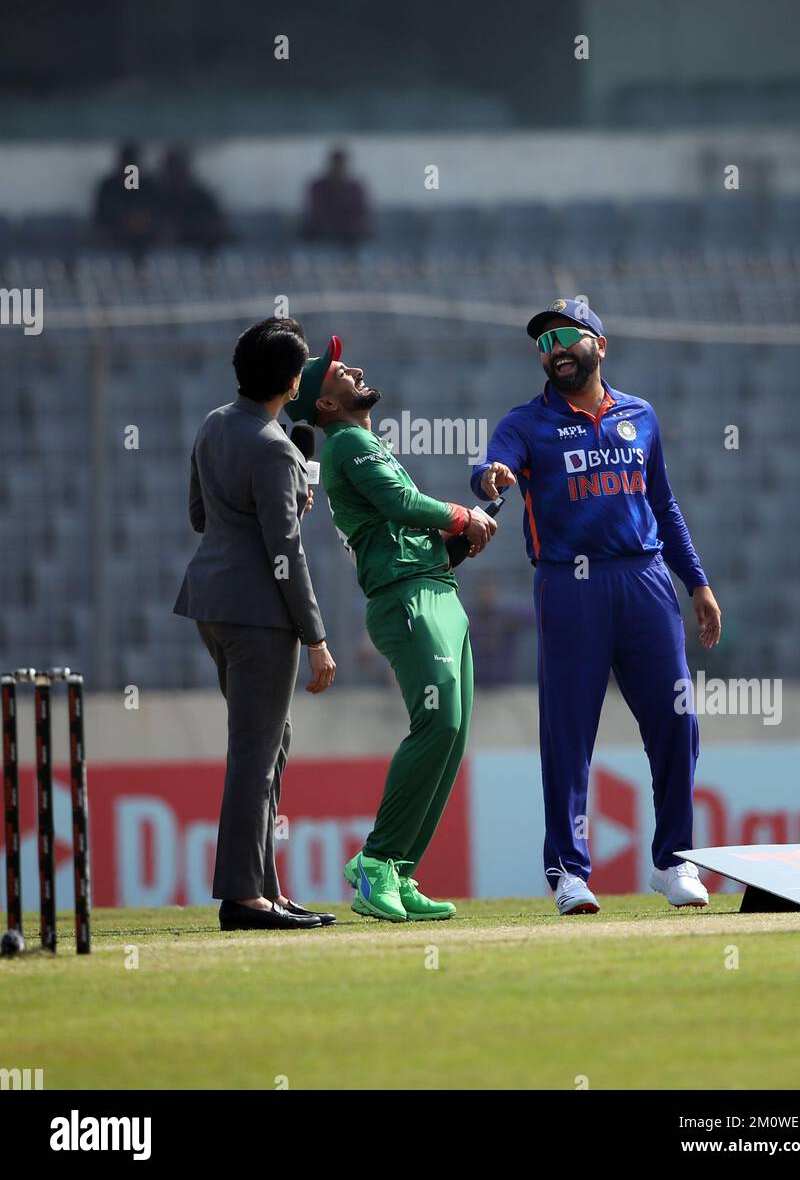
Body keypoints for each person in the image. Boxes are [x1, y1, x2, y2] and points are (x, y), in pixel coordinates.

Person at [471, 298, 722, 916]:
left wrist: (697, 583)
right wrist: (493, 476)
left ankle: (674, 861)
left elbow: (664, 506)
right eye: (543, 342)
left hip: (645, 580)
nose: (554, 348)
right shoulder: (527, 423)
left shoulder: (640, 415)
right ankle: (569, 873)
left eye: (566, 336)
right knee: (568, 733)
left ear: (599, 345)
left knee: (676, 722)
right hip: (569, 587)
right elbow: (490, 463)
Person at [288, 335, 495, 921]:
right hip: (409, 601)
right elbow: (404, 503)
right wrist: (463, 515)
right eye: (335, 372)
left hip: (436, 590)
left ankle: (399, 871)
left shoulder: (364, 441)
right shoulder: (349, 442)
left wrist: (460, 536)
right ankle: (376, 861)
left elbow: (402, 526)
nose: (351, 367)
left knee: (452, 736)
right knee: (439, 722)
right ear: (324, 405)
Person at [174, 317, 337, 931]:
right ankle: (243, 898)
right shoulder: (275, 447)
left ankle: (265, 887)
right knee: (255, 753)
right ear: (294, 383)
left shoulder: (214, 423)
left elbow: (198, 515)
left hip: (212, 605)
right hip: (259, 615)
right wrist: (316, 638)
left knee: (270, 744)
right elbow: (286, 552)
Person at [92, 141, 160, 256]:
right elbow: (99, 218)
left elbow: (157, 215)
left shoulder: (148, 186)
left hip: (147, 238)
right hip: (113, 237)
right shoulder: (109, 186)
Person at [159, 146, 230, 253]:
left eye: (178, 168)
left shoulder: (202, 198)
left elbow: (220, 228)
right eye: (171, 169)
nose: (175, 174)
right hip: (163, 257)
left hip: (199, 257)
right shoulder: (160, 197)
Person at [300, 148, 372, 247]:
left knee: (361, 230)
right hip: (324, 228)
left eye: (341, 164)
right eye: (336, 164)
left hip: (348, 230)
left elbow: (360, 211)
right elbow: (317, 211)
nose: (338, 167)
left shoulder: (354, 187)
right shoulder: (318, 186)